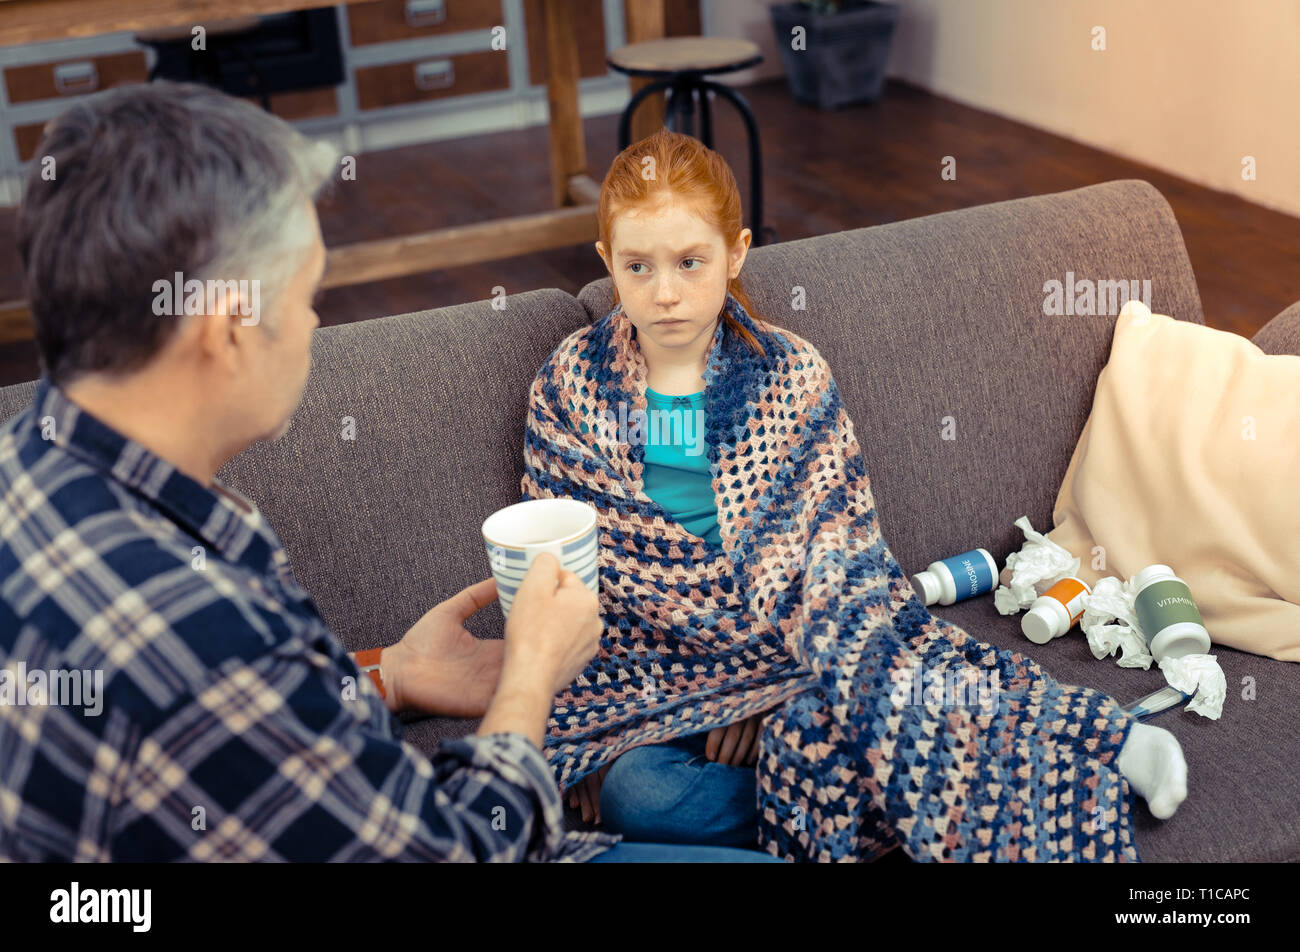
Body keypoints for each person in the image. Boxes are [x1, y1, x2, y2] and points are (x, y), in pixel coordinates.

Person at [0, 81, 779, 863]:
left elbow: (243, 729)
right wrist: (532, 679)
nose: (310, 324)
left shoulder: (39, 477)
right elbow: (464, 851)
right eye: (304, 294)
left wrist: (391, 675)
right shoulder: (192, 623)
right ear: (223, 327)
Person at [527, 129, 1189, 860]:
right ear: (606, 264)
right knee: (637, 794)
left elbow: (840, 561)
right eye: (637, 267)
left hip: (817, 659)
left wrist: (769, 687)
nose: (666, 292)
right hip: (657, 691)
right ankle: (888, 793)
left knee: (827, 710)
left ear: (736, 251)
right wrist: (580, 737)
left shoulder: (790, 377)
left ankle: (1096, 745)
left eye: (691, 261)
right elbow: (564, 589)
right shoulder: (569, 391)